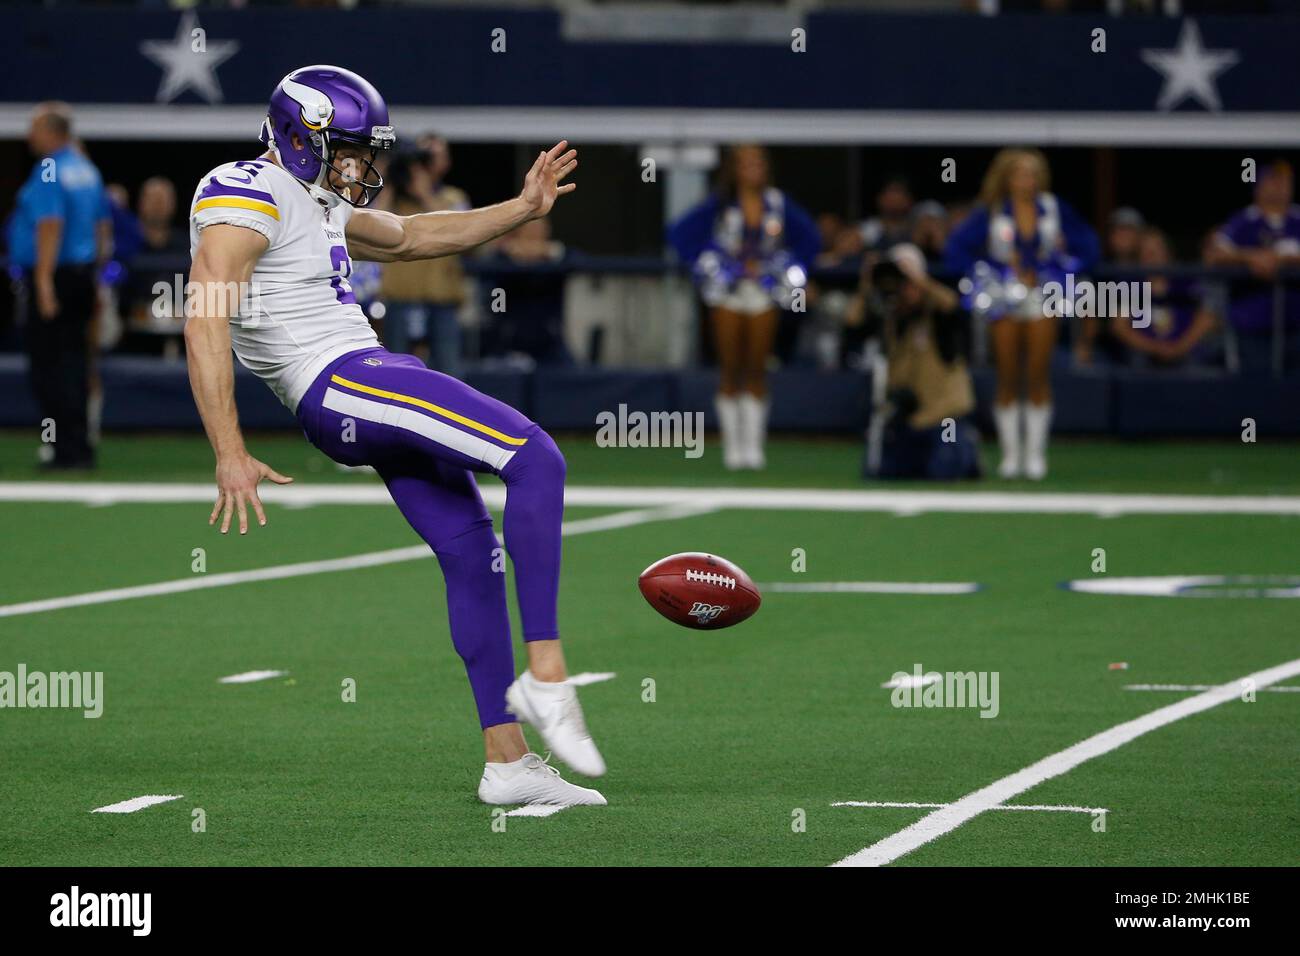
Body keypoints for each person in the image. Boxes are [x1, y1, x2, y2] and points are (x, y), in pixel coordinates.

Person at [183, 66, 603, 808]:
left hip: (357, 380)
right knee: (536, 458)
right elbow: (205, 309)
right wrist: (228, 449)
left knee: (474, 549)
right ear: (297, 137)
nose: (361, 165)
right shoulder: (246, 189)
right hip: (342, 378)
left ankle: (507, 763)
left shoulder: (316, 199)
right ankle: (545, 675)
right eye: (346, 149)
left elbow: (412, 237)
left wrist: (522, 208)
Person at [944, 147, 1099, 480]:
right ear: (1006, 178)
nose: (1025, 181)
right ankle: (1011, 455)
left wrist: (1060, 266)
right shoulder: (992, 212)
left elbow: (1088, 246)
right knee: (1008, 374)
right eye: (1018, 174)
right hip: (1003, 297)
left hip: (1044, 294)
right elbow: (955, 249)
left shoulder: (1055, 210)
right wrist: (991, 271)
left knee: (1038, 373)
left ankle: (1035, 454)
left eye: (1031, 174)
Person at [667, 144, 820, 469]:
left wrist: (787, 268)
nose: (753, 169)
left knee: (756, 366)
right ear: (734, 169)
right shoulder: (720, 204)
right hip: (728, 291)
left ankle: (754, 446)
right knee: (729, 367)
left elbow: (810, 239)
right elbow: (680, 234)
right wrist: (711, 262)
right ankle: (732, 448)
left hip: (764, 290)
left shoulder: (778, 203)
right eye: (745, 164)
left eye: (758, 163)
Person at [7, 102, 109, 470]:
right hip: (82, 276)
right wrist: (96, 277)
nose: (29, 136)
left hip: (56, 277)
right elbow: (102, 229)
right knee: (76, 363)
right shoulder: (86, 169)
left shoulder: (49, 168)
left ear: (53, 132)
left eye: (35, 128)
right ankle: (79, 445)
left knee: (49, 366)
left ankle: (62, 449)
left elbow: (50, 224)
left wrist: (44, 282)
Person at [852, 244, 980, 480]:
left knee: (945, 470)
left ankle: (968, 451)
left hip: (945, 417)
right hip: (908, 420)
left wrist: (917, 279)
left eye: (907, 283)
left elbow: (954, 306)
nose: (903, 291)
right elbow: (852, 324)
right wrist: (867, 285)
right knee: (880, 471)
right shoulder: (889, 316)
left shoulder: (939, 313)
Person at [378, 135, 470, 374]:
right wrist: (390, 180)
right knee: (397, 373)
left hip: (442, 303)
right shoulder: (394, 200)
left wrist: (424, 194)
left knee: (448, 373)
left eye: (431, 158)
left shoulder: (453, 197)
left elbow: (460, 230)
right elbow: (372, 224)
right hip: (399, 301)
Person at [1205, 160, 1300, 373]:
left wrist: (1284, 259)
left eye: (1285, 180)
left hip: (1296, 324)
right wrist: (1251, 257)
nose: (1280, 186)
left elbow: (1281, 257)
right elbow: (1214, 255)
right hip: (1253, 324)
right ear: (1258, 185)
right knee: (1258, 392)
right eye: (1273, 179)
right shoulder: (1244, 221)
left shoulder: (1297, 218)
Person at [1110, 227, 1217, 369]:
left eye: (1157, 249)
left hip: (1186, 352)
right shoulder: (1131, 287)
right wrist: (1155, 348)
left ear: (1168, 254)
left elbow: (1207, 319)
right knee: (1135, 361)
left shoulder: (1187, 282)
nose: (1152, 255)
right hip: (1145, 356)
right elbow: (1119, 327)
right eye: (1146, 251)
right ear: (1139, 257)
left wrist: (1180, 347)